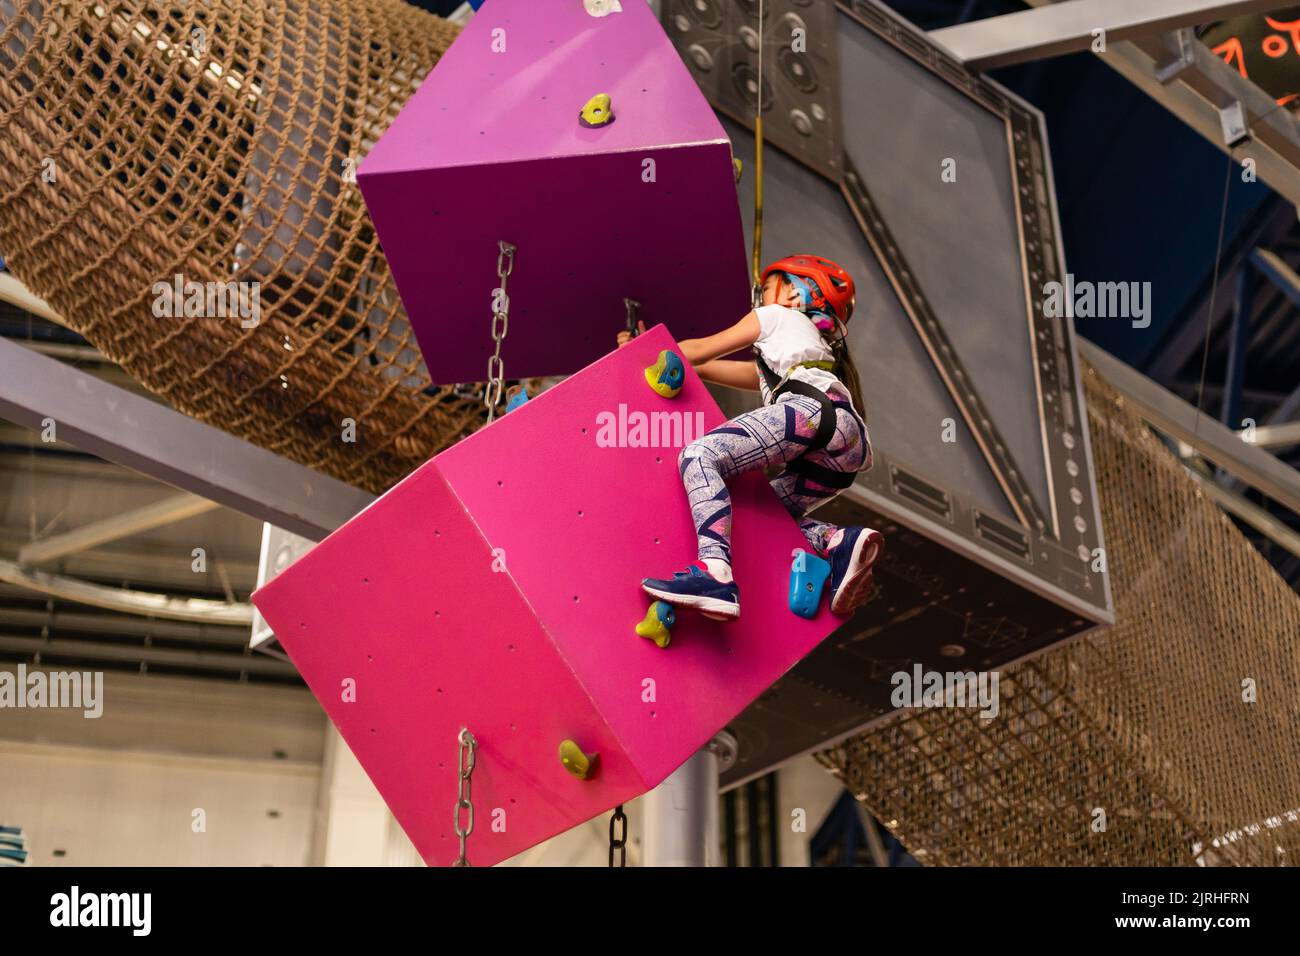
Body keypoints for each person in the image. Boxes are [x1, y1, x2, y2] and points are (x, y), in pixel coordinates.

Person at [621, 254, 883, 621]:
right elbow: (707, 367)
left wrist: (640, 351)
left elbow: (700, 349)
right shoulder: (801, 352)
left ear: (793, 294)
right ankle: (838, 542)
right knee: (766, 516)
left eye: (769, 284)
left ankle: (716, 574)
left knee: (700, 456)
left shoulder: (775, 316)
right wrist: (643, 346)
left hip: (810, 413)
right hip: (845, 442)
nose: (759, 295)